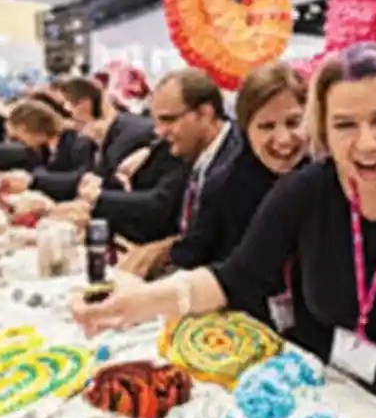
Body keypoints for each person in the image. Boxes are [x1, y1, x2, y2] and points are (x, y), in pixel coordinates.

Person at [71, 44, 376, 418]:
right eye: (344, 124)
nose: (366, 143)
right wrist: (136, 303)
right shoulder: (304, 193)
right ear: (322, 130)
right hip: (331, 399)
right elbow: (235, 277)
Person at [118, 63, 310, 288]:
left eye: (294, 123)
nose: (283, 139)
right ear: (247, 130)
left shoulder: (327, 180)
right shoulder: (231, 177)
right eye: (267, 126)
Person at [72, 69, 236, 247]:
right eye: (157, 122)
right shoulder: (188, 149)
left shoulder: (235, 163)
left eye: (169, 120)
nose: (159, 131)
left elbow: (161, 205)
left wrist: (163, 254)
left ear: (205, 113)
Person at [15, 76, 154, 202]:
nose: (64, 114)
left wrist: (34, 180)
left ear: (84, 104)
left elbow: (99, 183)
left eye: (67, 105)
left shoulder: (128, 137)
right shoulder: (110, 136)